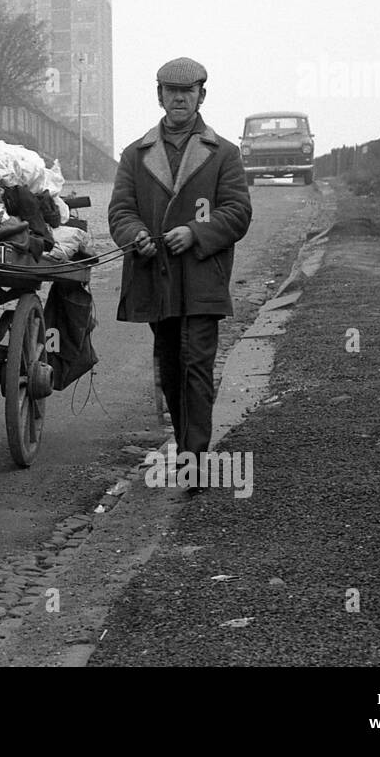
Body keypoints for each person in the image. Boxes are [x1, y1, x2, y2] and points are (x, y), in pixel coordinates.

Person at [107, 57, 252, 496]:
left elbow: (238, 212)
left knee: (195, 367)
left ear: (201, 96)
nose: (179, 98)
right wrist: (136, 237)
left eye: (187, 91)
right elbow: (120, 211)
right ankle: (189, 450)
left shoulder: (224, 153)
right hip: (157, 280)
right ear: (159, 96)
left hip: (202, 278)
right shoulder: (136, 155)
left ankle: (195, 463)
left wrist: (195, 232)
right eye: (171, 91)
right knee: (171, 369)